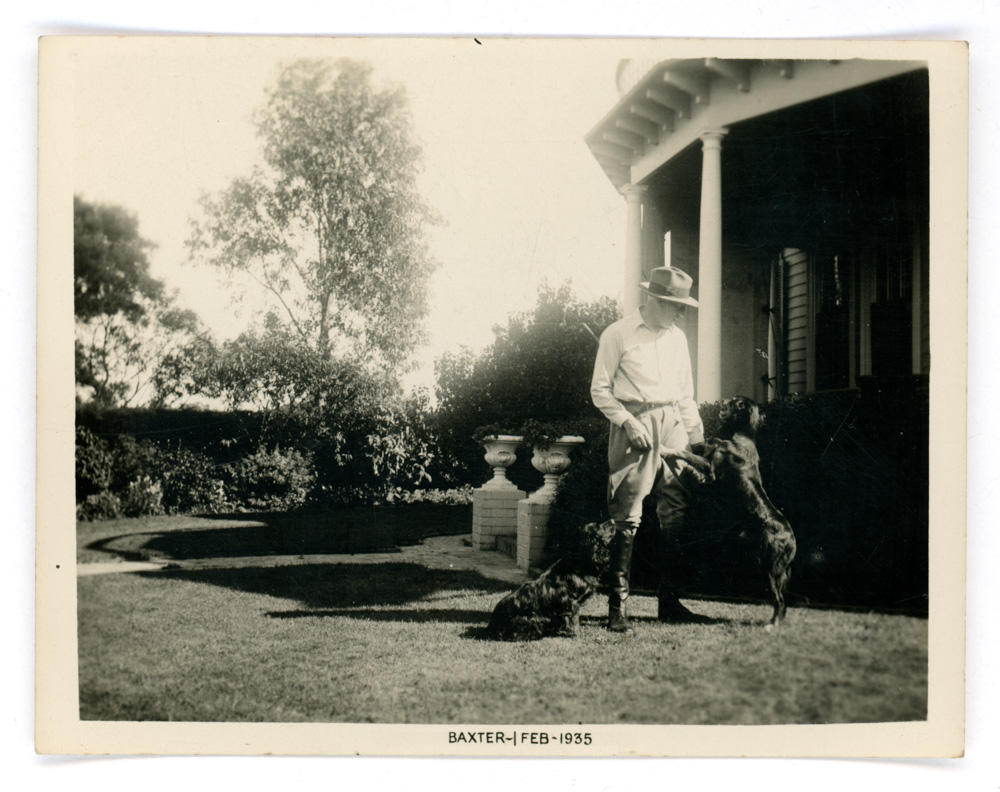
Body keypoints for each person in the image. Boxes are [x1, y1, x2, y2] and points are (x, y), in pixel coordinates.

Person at [590, 266, 708, 633]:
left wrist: (698, 440)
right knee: (628, 516)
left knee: (675, 512)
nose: (680, 314)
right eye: (676, 306)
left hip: (672, 425)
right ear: (656, 301)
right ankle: (617, 609)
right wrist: (627, 421)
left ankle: (669, 603)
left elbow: (685, 394)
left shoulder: (677, 339)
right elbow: (600, 390)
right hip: (635, 428)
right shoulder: (618, 334)